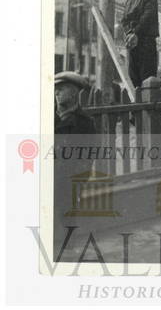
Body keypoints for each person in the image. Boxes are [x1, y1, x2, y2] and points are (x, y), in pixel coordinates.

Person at [53, 71, 97, 250]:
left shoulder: (84, 123)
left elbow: (88, 156)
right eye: (55, 90)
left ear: (73, 94)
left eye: (61, 90)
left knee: (66, 208)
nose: (56, 94)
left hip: (68, 178)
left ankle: (68, 246)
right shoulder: (48, 117)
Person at [121, 0, 160, 88]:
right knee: (148, 79)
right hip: (146, 41)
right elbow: (148, 17)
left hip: (132, 43)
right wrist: (136, 33)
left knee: (135, 78)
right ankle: (146, 106)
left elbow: (124, 20)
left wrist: (130, 34)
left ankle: (137, 104)